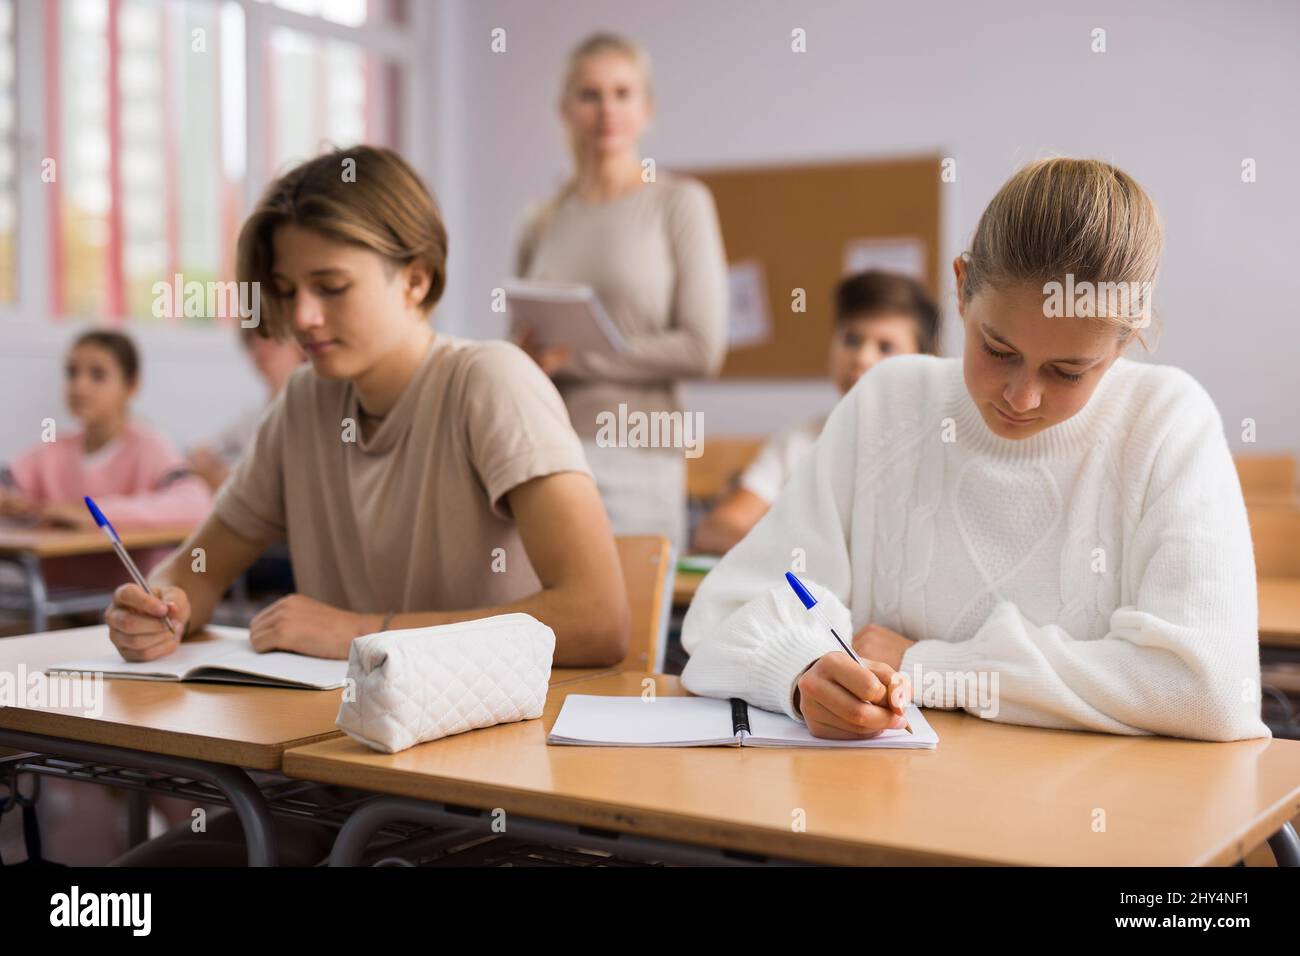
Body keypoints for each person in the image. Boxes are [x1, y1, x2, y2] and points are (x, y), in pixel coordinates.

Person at [680, 158, 1268, 743]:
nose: (1021, 395)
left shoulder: (1167, 422)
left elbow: (1210, 688)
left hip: (1093, 821)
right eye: (998, 349)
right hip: (879, 804)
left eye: (1067, 372)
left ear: (1124, 344)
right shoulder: (888, 401)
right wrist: (800, 668)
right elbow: (723, 613)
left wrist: (932, 668)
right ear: (962, 288)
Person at [514, 32, 729, 551]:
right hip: (549, 447)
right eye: (589, 95)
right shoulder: (541, 220)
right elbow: (520, 348)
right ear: (566, 110)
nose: (606, 109)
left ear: (646, 109)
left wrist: (577, 358)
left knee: (631, 620)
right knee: (545, 624)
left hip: (640, 450)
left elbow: (704, 348)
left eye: (622, 93)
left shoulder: (680, 203)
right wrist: (531, 358)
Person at [692, 271, 941, 555]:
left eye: (885, 347)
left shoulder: (938, 446)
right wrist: (793, 551)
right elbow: (716, 529)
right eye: (851, 340)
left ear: (921, 361)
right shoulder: (797, 442)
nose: (861, 358)